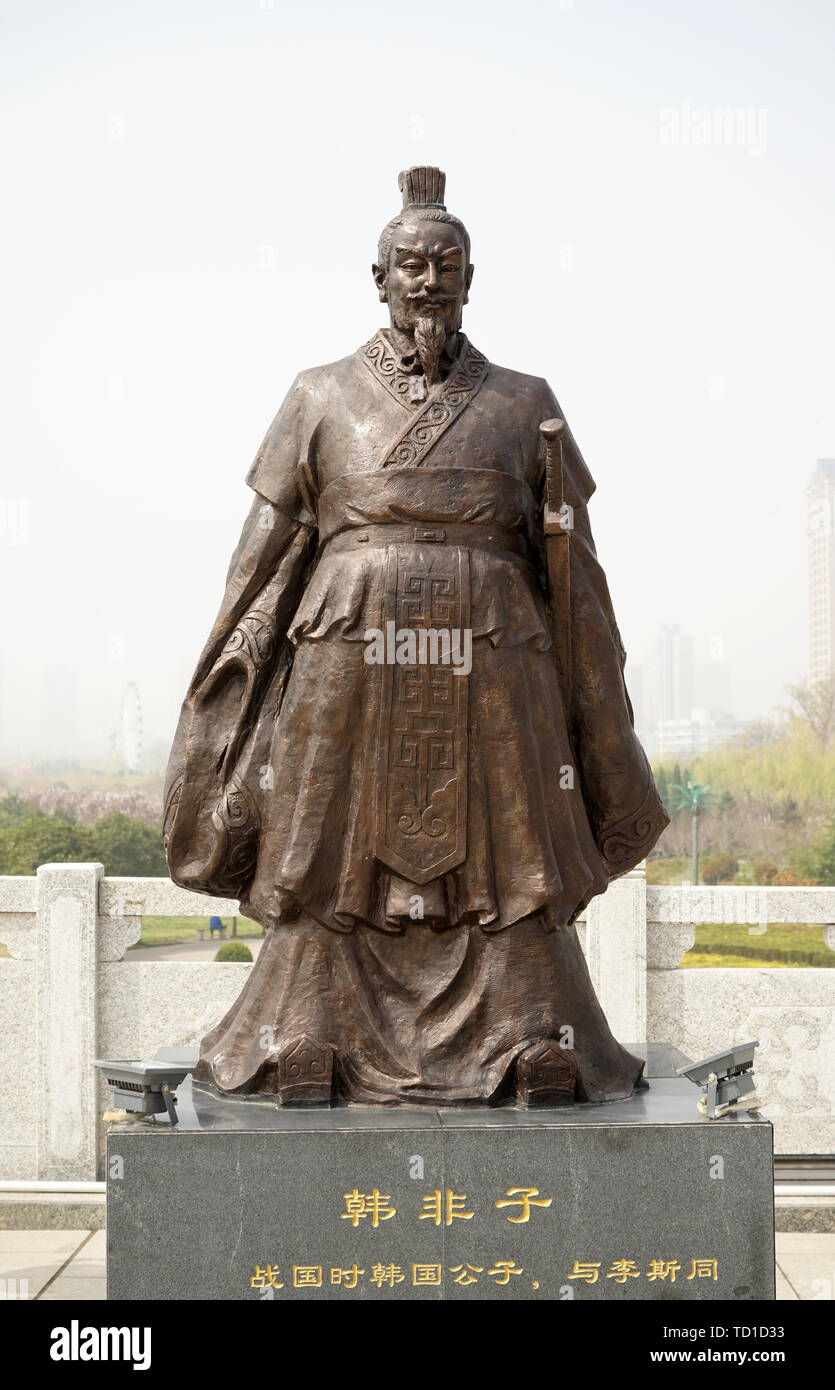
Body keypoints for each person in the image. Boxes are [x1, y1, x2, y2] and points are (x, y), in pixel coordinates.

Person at [163, 167, 667, 1106]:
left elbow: (572, 563)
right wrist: (233, 656)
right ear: (377, 276)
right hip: (345, 647)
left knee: (512, 846)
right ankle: (301, 1032)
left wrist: (589, 691)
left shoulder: (526, 402)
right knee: (323, 839)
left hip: (494, 652)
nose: (427, 281)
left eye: (446, 264)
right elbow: (263, 551)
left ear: (472, 279)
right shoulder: (317, 394)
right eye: (409, 264)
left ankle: (531, 1034)